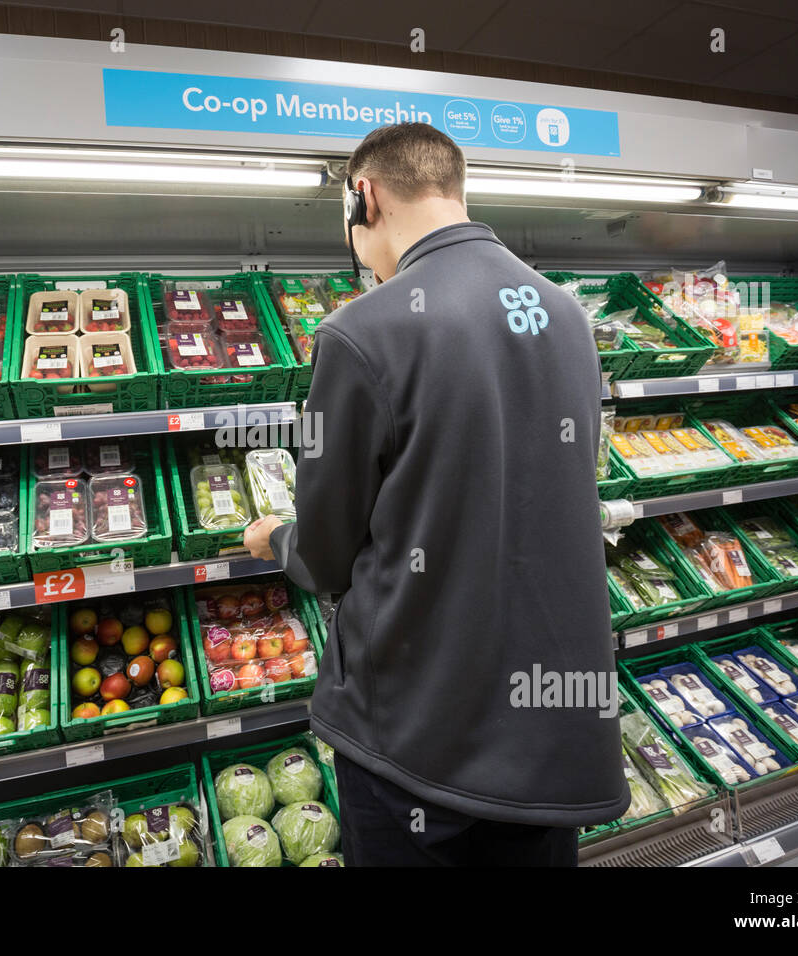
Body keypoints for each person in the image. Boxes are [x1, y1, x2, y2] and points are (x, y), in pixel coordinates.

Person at [243, 123, 630, 866]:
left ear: (364, 197)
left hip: (421, 741)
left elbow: (326, 553)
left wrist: (276, 538)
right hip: (550, 739)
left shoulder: (360, 331)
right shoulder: (568, 316)